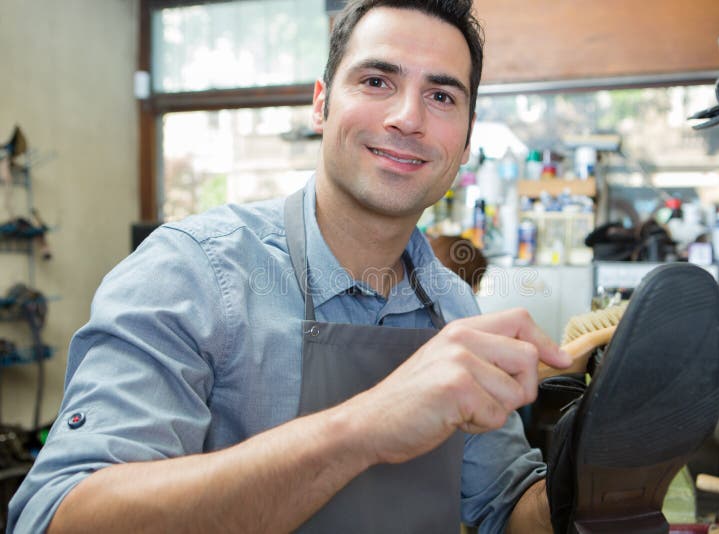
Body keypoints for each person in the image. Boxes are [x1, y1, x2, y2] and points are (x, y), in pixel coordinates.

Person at [9, 1, 569, 532]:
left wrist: (597, 460)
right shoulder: (192, 271)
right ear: (322, 104)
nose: (407, 117)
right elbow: (56, 517)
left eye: (443, 96)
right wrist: (365, 426)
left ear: (467, 137)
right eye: (377, 81)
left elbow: (506, 509)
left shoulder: (452, 306)